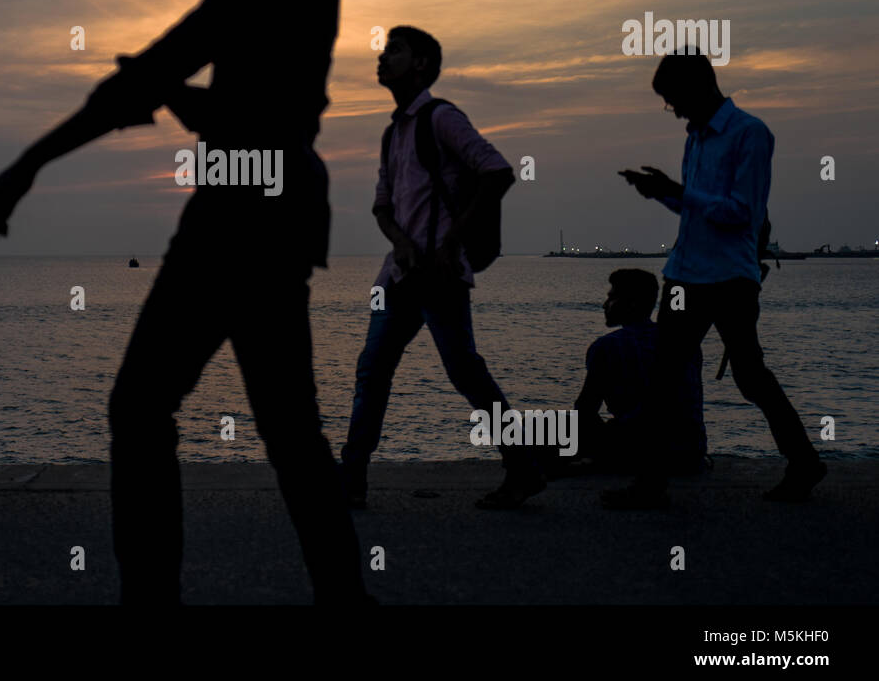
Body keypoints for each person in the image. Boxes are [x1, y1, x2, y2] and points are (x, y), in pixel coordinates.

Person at [0, 0, 369, 604]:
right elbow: (259, 104)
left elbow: (174, 66)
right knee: (290, 433)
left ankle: (152, 602)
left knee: (142, 407)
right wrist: (176, 97)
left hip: (239, 215)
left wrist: (29, 164)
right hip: (271, 204)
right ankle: (342, 595)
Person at [338, 25, 545, 510]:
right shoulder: (393, 133)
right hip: (400, 275)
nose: (382, 57)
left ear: (422, 64)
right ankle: (351, 481)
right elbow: (382, 208)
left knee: (464, 372)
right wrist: (403, 242)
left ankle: (522, 466)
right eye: (384, 49)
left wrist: (452, 240)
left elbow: (496, 171)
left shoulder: (442, 118)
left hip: (441, 276)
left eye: (395, 50)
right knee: (372, 371)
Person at [608, 51, 826, 507]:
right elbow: (697, 209)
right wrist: (665, 194)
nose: (675, 110)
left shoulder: (750, 134)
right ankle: (651, 483)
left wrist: (681, 192)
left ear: (701, 87)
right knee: (665, 378)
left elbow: (741, 214)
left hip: (729, 280)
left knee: (749, 376)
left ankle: (803, 461)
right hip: (686, 277)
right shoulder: (696, 138)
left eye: (674, 100)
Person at [573, 268, 706, 474]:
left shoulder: (606, 347)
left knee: (542, 427)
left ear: (631, 304)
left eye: (611, 298)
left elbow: (585, 409)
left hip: (638, 450)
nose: (604, 305)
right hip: (690, 451)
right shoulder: (685, 343)